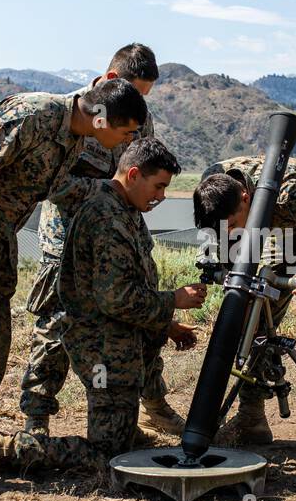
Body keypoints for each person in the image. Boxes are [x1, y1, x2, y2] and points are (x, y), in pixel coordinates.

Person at [0, 79, 147, 496]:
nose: (123, 145)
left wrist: (113, 190)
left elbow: (55, 188)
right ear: (103, 118)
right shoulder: (33, 115)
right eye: (125, 134)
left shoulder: (73, 137)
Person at [0, 138, 207, 480]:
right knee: (110, 457)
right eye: (158, 186)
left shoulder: (124, 208)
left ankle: (121, 433)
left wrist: (167, 324)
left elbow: (134, 283)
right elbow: (116, 298)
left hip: (118, 346)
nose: (161, 196)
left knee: (122, 439)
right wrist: (172, 300)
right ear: (133, 174)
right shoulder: (106, 217)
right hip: (104, 352)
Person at [19, 44, 185, 438]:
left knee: (139, 316)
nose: (139, 102)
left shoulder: (139, 118)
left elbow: (142, 165)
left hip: (122, 234)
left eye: (145, 95)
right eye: (134, 91)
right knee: (56, 329)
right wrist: (103, 196)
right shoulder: (79, 115)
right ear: (112, 80)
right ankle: (36, 417)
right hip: (68, 241)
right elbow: (55, 183)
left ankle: (153, 405)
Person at [192, 154, 296, 463]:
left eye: (232, 226)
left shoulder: (289, 195)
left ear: (246, 198)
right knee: (252, 314)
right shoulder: (213, 187)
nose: (228, 234)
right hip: (280, 232)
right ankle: (251, 418)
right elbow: (227, 241)